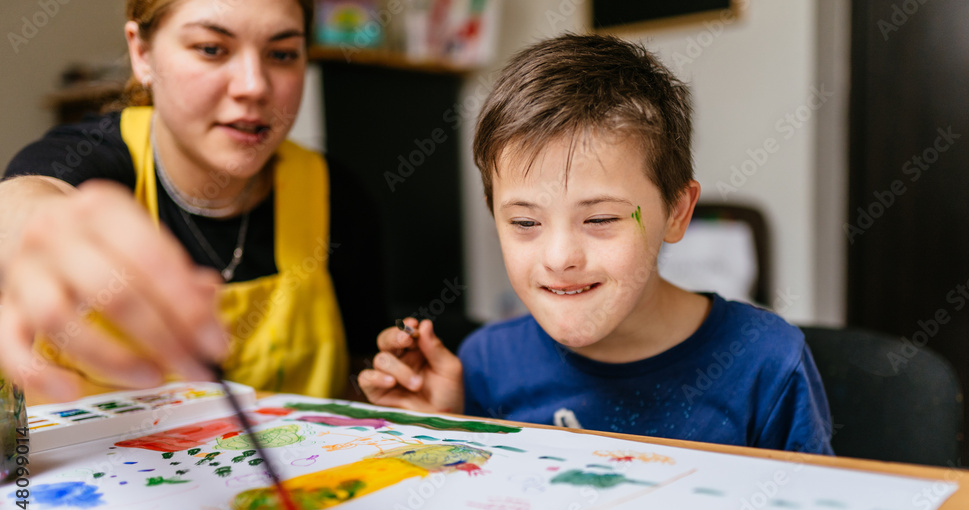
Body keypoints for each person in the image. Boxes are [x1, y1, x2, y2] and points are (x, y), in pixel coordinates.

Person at [359, 34, 833, 454]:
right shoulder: (485, 364)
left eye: (601, 218)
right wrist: (445, 431)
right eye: (525, 223)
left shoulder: (766, 362)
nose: (560, 258)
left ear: (676, 212)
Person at [0, 0, 385, 402]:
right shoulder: (86, 158)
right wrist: (35, 227)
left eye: (282, 54)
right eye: (211, 49)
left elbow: (355, 381)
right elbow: (25, 199)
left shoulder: (336, 196)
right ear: (142, 54)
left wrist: (396, 399)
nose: (254, 85)